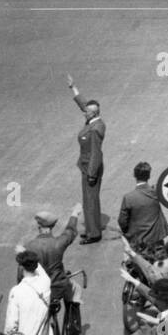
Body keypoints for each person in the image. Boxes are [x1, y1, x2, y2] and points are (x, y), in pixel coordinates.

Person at [67, 75, 105, 243]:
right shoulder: (93, 120)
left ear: (93, 113)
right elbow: (84, 105)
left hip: (91, 167)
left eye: (87, 112)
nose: (84, 113)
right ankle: (91, 228)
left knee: (90, 201)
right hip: (87, 166)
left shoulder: (95, 128)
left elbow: (96, 153)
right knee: (89, 199)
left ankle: (94, 233)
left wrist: (91, 173)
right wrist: (74, 88)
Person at [21, 209, 80, 309]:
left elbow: (21, 273)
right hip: (57, 289)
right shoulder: (58, 243)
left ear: (39, 227)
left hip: (38, 290)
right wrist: (74, 214)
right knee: (75, 289)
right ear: (51, 228)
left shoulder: (28, 247)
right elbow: (69, 232)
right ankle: (72, 321)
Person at [4, 250, 51, 335]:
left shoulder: (16, 291)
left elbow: (11, 325)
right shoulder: (45, 282)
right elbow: (40, 269)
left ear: (21, 268)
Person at [118, 161, 168, 254]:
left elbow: (122, 221)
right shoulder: (156, 192)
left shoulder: (129, 197)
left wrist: (128, 233)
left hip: (138, 240)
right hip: (156, 238)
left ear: (134, 175)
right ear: (149, 176)